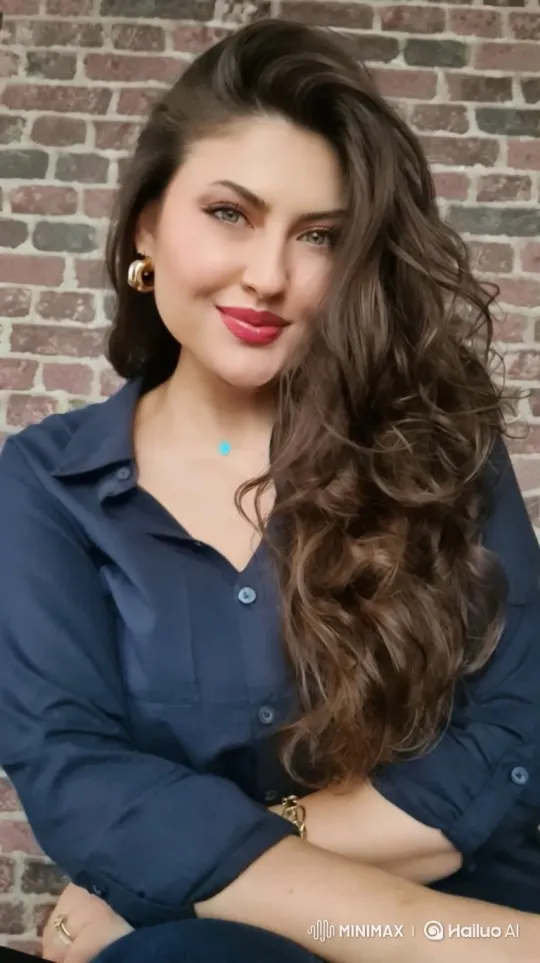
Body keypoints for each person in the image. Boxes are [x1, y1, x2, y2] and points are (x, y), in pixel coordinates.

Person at [0, 16, 538, 963]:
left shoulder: (440, 446)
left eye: (320, 236)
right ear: (147, 225)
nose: (269, 276)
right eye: (229, 214)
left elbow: (513, 737)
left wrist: (183, 874)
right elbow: (79, 777)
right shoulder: (47, 485)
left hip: (470, 903)